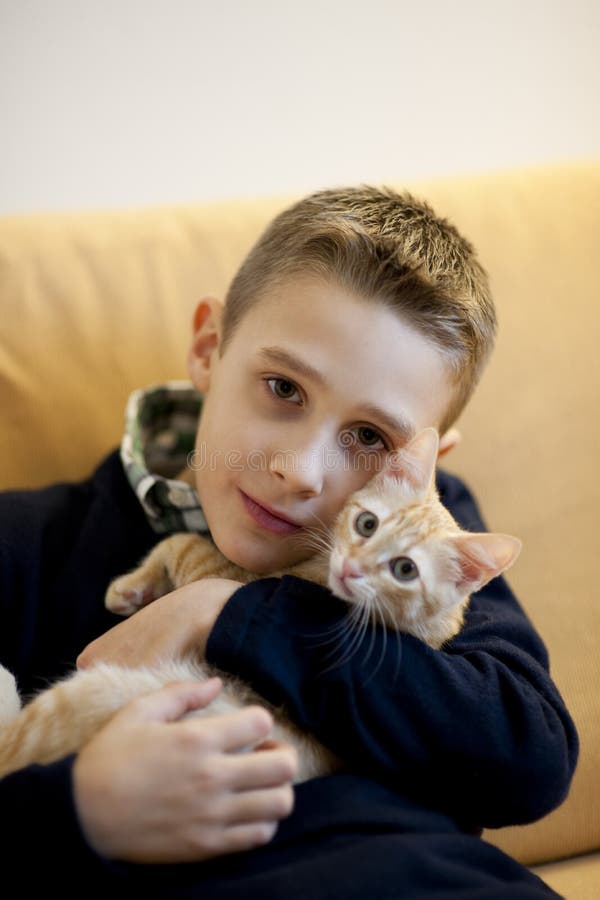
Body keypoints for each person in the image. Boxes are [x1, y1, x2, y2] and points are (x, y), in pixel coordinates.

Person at [0, 186, 577, 898]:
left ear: (422, 464)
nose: (299, 472)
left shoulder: (422, 543)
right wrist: (79, 810)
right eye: (282, 388)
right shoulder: (26, 544)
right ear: (210, 349)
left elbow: (530, 759)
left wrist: (229, 613)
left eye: (369, 438)